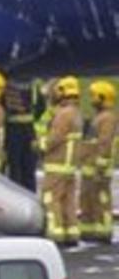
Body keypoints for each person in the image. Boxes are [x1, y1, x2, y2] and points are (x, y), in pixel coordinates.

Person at [39, 77, 84, 247]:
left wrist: (41, 145)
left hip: (57, 165)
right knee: (68, 201)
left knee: (51, 199)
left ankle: (55, 234)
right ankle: (71, 233)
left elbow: (55, 138)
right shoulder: (76, 113)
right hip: (69, 166)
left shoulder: (64, 114)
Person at [80, 80, 116, 243]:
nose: (92, 100)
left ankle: (104, 231)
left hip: (98, 167)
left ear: (103, 98)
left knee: (100, 198)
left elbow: (105, 142)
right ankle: (89, 230)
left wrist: (100, 165)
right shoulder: (100, 117)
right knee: (88, 198)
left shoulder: (108, 118)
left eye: (94, 97)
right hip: (90, 165)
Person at [2, 77, 45, 193]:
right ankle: (30, 195)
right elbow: (42, 106)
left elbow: (1, 106)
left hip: (13, 130)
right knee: (29, 167)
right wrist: (32, 118)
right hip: (29, 131)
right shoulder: (34, 86)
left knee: (15, 167)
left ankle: (15, 195)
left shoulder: (6, 85)